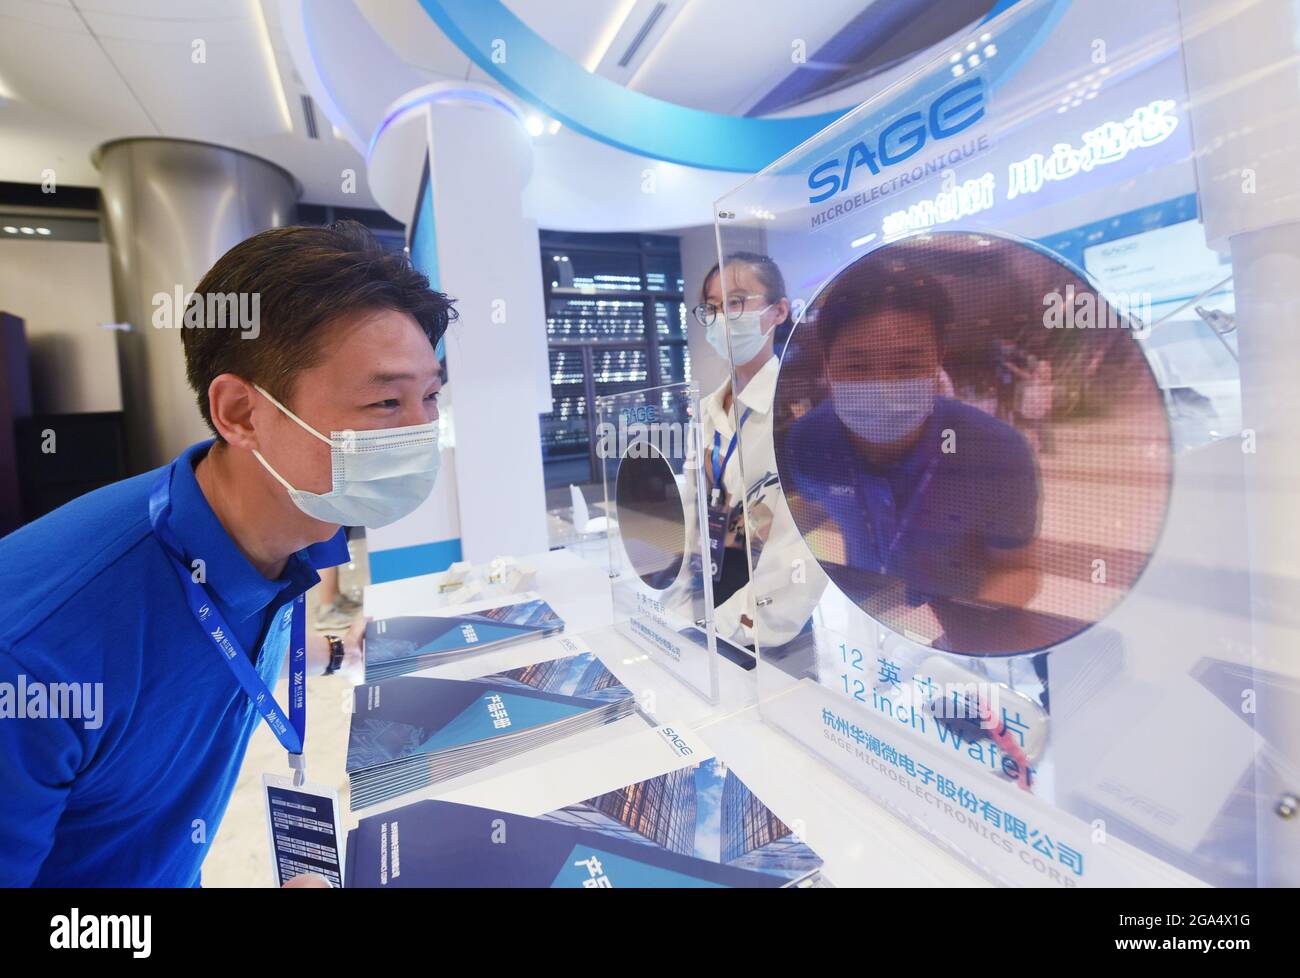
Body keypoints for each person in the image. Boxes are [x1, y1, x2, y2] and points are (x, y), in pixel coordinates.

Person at [0, 221, 454, 886]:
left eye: (432, 395)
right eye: (386, 402)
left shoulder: (279, 529)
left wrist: (335, 653)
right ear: (241, 413)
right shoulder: (34, 657)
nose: (421, 433)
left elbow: (199, 665)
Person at [782, 265, 1043, 653]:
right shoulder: (809, 441)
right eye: (856, 366)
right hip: (857, 625)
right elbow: (808, 509)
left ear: (938, 357)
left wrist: (952, 640)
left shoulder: (996, 450)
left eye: (905, 365)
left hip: (956, 638)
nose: (881, 387)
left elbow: (1018, 569)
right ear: (826, 363)